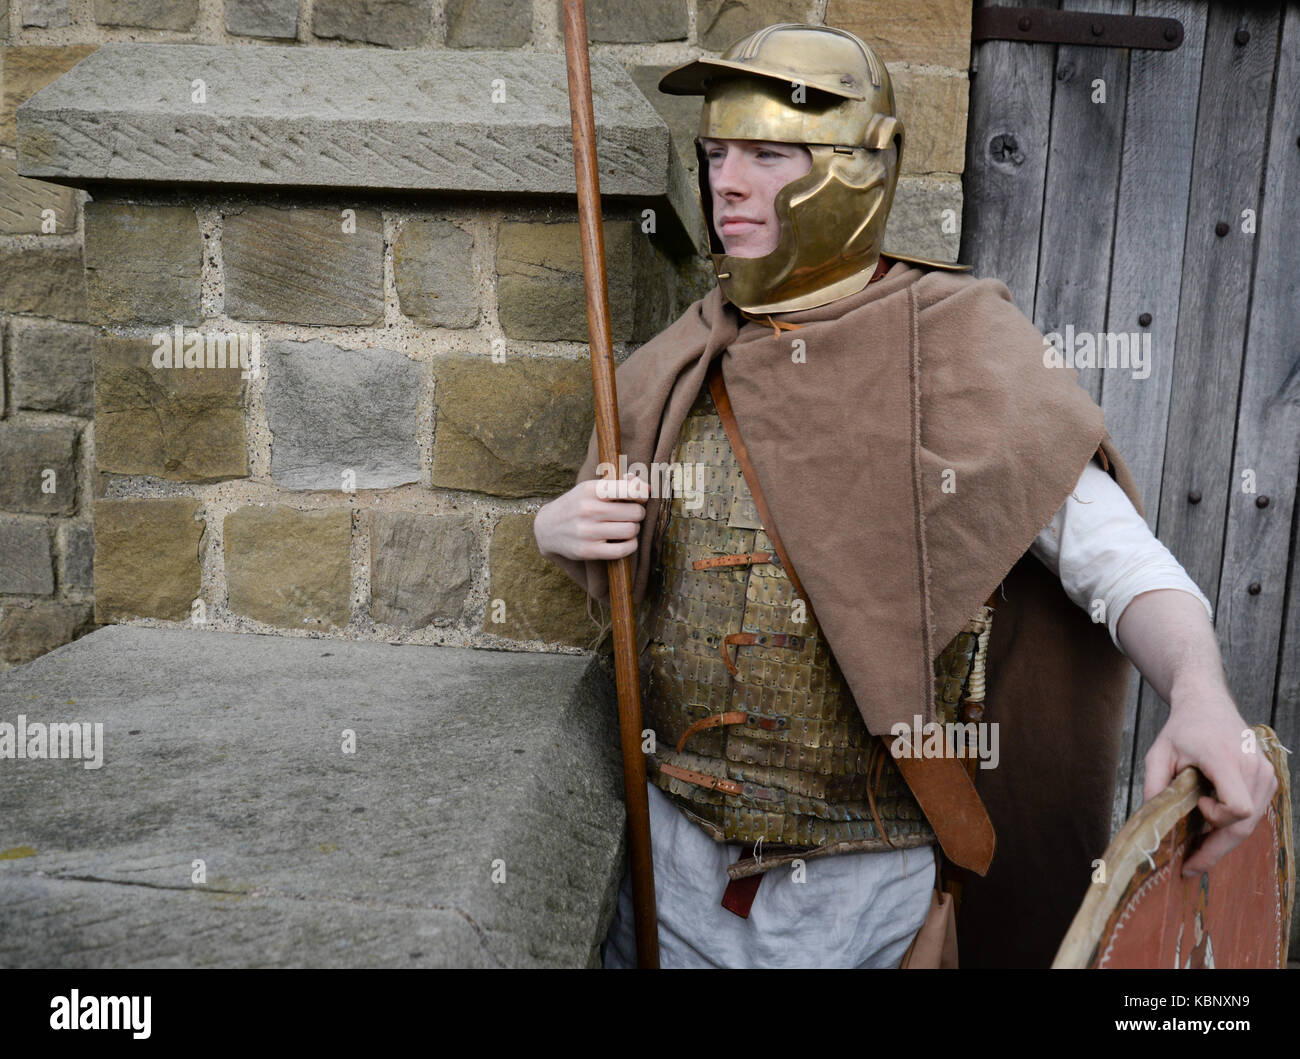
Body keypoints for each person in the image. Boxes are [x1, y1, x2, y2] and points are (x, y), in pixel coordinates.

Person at [533, 23, 1277, 968]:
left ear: (860, 166)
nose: (727, 183)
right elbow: (624, 558)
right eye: (718, 153)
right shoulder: (682, 358)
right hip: (666, 860)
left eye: (769, 155)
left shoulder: (959, 350)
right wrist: (557, 530)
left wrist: (1202, 692)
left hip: (860, 893)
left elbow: (1120, 564)